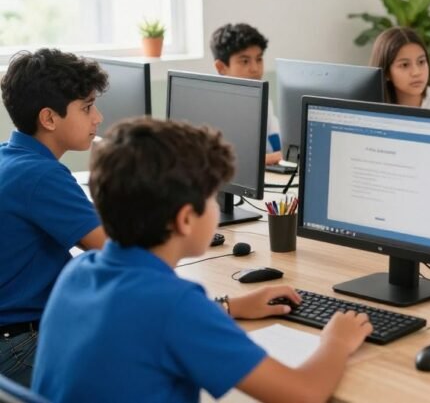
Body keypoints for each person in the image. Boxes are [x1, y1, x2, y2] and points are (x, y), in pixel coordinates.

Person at [32, 118, 372, 402]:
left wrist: (227, 307)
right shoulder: (174, 305)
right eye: (211, 198)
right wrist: (336, 342)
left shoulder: (78, 271)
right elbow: (303, 394)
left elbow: (148, 324)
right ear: (185, 219)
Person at [0, 49, 108, 387]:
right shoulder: (41, 176)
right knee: (143, 359)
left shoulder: (10, 157)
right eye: (87, 107)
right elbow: (117, 254)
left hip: (12, 334)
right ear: (49, 118)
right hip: (19, 345)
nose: (98, 118)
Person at [210, 22, 283, 164]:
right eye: (244, 61)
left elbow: (277, 143)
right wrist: (270, 158)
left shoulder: (261, 100)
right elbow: (223, 161)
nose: (255, 68)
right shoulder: (215, 107)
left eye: (259, 59)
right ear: (221, 67)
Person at [370, 26, 430, 110]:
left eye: (421, 62)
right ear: (386, 72)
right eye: (405, 65)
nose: (416, 72)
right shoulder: (370, 105)